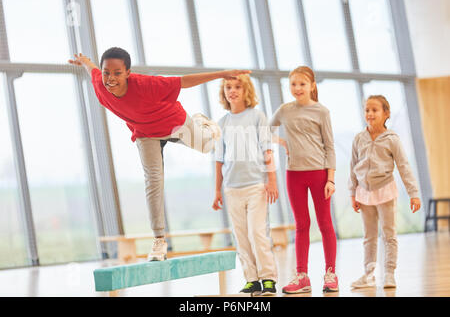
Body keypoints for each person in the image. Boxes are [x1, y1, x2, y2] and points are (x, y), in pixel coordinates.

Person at [68, 47, 251, 261]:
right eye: (107, 72)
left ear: (128, 72)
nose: (110, 78)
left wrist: (220, 74)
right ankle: (159, 240)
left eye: (118, 73)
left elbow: (184, 81)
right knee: (153, 180)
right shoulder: (100, 84)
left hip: (173, 123)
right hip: (146, 134)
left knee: (206, 146)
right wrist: (84, 61)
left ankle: (203, 124)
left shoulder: (147, 84)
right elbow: (92, 70)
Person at [270, 66, 338, 293]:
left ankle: (330, 273)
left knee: (325, 224)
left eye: (302, 84)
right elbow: (266, 130)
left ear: (312, 86)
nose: (297, 88)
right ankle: (302, 276)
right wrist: (282, 143)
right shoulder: (284, 110)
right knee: (301, 225)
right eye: (293, 84)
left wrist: (331, 179)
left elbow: (329, 146)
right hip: (294, 174)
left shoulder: (322, 112)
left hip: (319, 174)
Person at [212, 75, 278, 296]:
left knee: (257, 233)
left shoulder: (257, 116)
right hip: (232, 189)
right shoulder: (221, 123)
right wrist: (217, 191)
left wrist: (272, 181)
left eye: (237, 87)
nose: (233, 91)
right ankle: (252, 280)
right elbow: (219, 160)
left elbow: (267, 149)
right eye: (228, 87)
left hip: (256, 186)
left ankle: (268, 278)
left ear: (246, 90)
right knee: (241, 236)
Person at [349, 95, 421, 289]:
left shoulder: (392, 140)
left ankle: (389, 273)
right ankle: (369, 274)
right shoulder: (358, 139)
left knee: (389, 234)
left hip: (385, 191)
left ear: (386, 113)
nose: (370, 114)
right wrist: (352, 193)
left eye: (375, 110)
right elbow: (353, 167)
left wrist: (413, 193)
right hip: (364, 193)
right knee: (369, 236)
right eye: (367, 110)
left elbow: (404, 166)